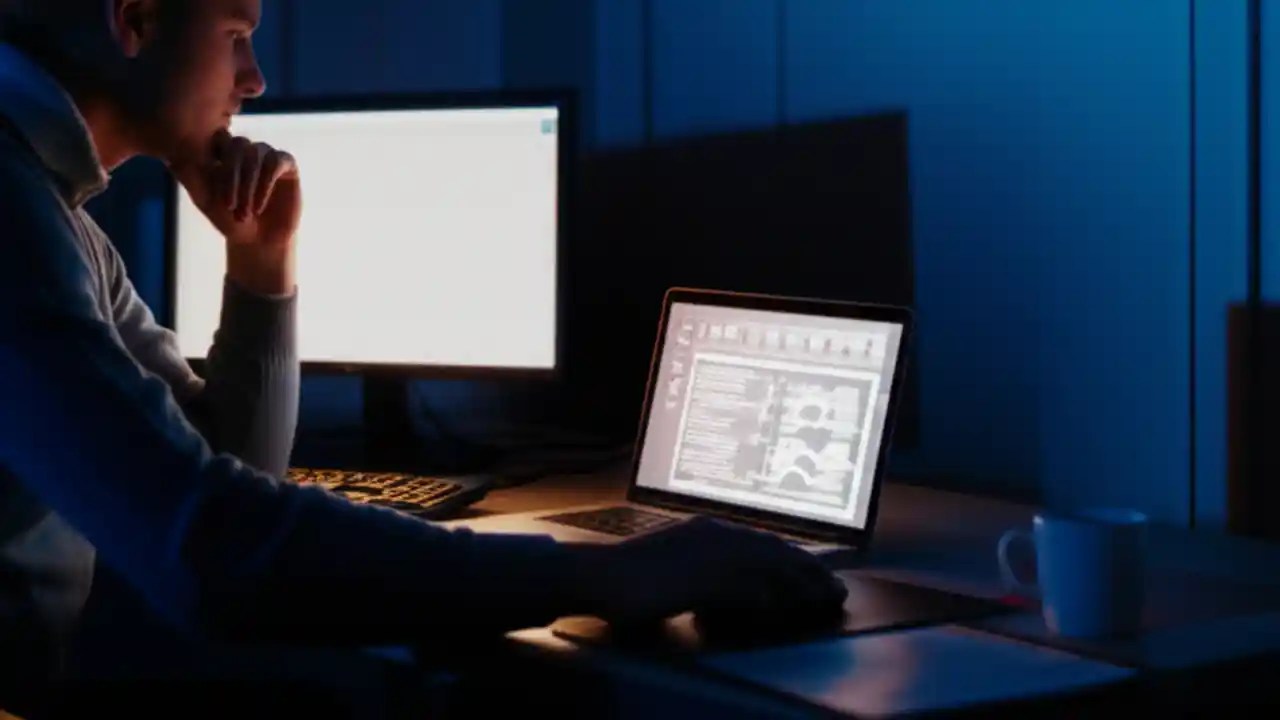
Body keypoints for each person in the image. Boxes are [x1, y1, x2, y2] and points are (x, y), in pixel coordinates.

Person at [0, 0, 848, 714]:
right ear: (136, 19)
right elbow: (212, 552)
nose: (254, 78)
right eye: (235, 32)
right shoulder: (10, 212)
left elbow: (228, 474)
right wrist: (601, 577)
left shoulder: (55, 217)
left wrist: (263, 267)